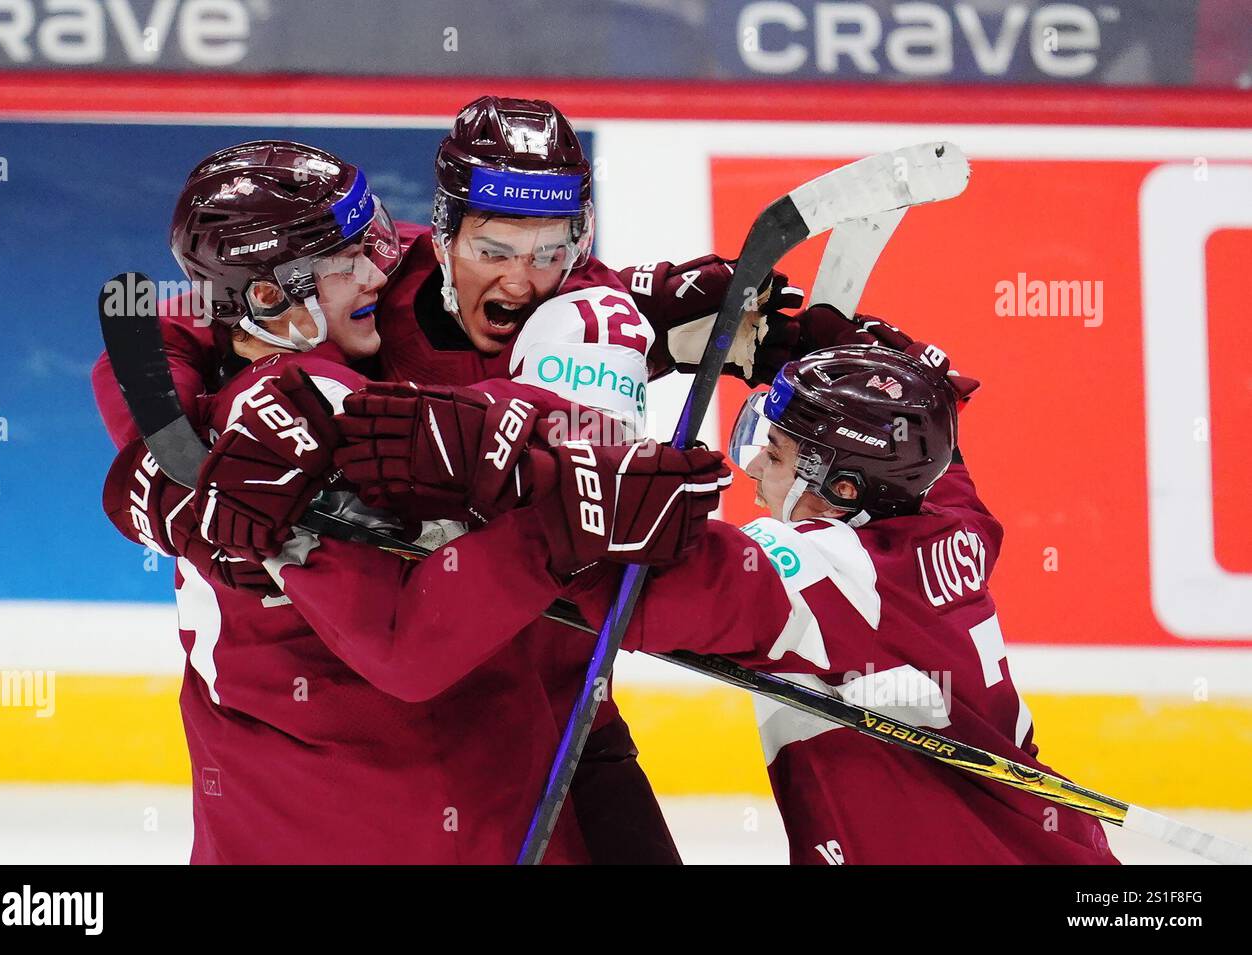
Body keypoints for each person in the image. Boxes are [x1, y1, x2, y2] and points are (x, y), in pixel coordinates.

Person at [100, 141, 724, 862]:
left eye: (376, 234)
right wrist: (573, 514)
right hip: (357, 809)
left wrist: (643, 307)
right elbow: (404, 648)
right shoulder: (284, 429)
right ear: (271, 297)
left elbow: (150, 313)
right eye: (351, 258)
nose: (380, 265)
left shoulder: (333, 331)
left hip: (468, 767)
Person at [359, 342, 1119, 864]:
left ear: (843, 486)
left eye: (779, 453)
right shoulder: (948, 516)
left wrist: (517, 493)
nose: (755, 464)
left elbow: (654, 592)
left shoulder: (827, 572)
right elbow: (941, 442)